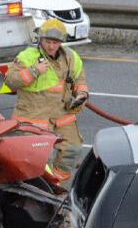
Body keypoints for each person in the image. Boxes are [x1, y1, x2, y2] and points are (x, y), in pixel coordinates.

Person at [5, 18, 88, 183]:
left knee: (72, 149)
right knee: (36, 158)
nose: (51, 46)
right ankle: (33, 188)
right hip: (32, 115)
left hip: (61, 113)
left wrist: (81, 94)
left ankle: (55, 184)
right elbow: (11, 80)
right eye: (48, 41)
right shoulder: (28, 56)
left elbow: (80, 80)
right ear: (40, 39)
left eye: (55, 43)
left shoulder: (71, 58)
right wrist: (35, 71)